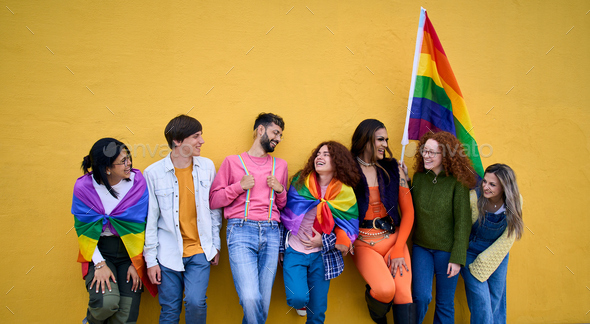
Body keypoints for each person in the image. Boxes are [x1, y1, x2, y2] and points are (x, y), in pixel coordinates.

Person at [209, 112, 288, 324]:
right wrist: (238, 187)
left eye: (280, 135)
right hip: (241, 231)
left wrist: (280, 190)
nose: (278, 139)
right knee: (250, 297)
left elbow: (283, 206)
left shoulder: (280, 166)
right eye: (275, 132)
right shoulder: (232, 162)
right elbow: (214, 200)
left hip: (272, 232)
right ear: (260, 130)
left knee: (264, 301)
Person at [143, 115, 222, 323]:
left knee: (196, 302)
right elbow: (150, 220)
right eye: (196, 136)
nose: (202, 141)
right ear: (178, 141)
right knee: (169, 310)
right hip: (167, 253)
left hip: (200, 250)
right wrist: (151, 261)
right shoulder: (153, 173)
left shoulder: (207, 167)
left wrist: (215, 244)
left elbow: (214, 209)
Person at [72, 138, 157, 324]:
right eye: (123, 161)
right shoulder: (84, 188)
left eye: (129, 158)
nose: (129, 165)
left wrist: (137, 262)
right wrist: (100, 264)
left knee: (125, 316)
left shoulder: (137, 183)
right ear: (107, 168)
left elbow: (144, 225)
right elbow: (83, 230)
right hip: (100, 251)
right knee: (106, 303)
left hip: (131, 252)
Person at [281, 141, 361, 323]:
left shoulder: (345, 193)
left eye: (326, 154)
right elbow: (285, 214)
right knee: (297, 298)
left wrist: (323, 242)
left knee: (317, 314)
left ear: (338, 161)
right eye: (318, 153)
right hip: (295, 250)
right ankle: (302, 304)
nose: (320, 157)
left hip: (322, 256)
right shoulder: (300, 182)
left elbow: (349, 230)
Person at [349, 119, 416, 324]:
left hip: (394, 240)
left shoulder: (393, 169)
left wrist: (397, 249)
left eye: (386, 140)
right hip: (363, 243)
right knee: (386, 290)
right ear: (365, 139)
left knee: (404, 293)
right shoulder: (347, 169)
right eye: (380, 139)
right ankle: (378, 315)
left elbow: (409, 212)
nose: (385, 144)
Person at [407, 131, 477, 324]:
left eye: (432, 153)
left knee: (445, 303)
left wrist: (457, 258)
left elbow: (462, 223)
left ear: (445, 156)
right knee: (421, 297)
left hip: (447, 252)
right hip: (422, 248)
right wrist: (405, 181)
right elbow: (409, 208)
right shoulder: (419, 178)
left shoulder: (458, 183)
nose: (426, 156)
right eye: (424, 151)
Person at [461, 164, 523, 324]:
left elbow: (509, 236)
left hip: (498, 253)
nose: (485, 187)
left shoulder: (515, 201)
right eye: (485, 182)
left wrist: (486, 258)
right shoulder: (474, 199)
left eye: (492, 184)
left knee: (496, 298)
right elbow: (462, 231)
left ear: (504, 187)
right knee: (481, 301)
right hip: (471, 252)